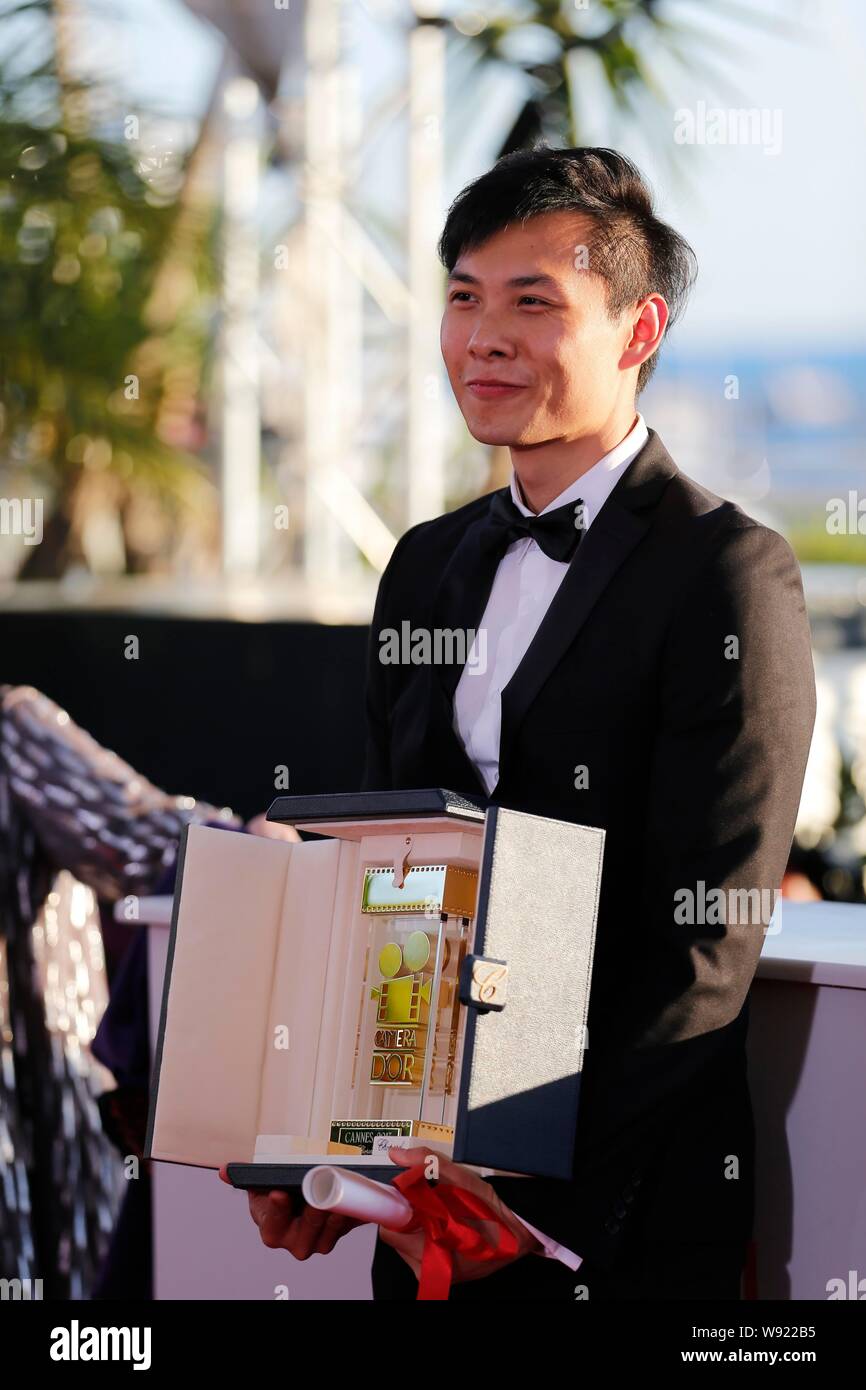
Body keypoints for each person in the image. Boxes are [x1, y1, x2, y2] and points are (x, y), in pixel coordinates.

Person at [239, 146, 817, 1300]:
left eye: (531, 303)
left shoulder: (726, 571)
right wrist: (328, 1141)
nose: (481, 336)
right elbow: (387, 875)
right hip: (422, 1191)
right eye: (462, 298)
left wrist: (515, 1171)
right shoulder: (422, 564)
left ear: (637, 329)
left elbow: (706, 935)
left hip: (618, 1199)